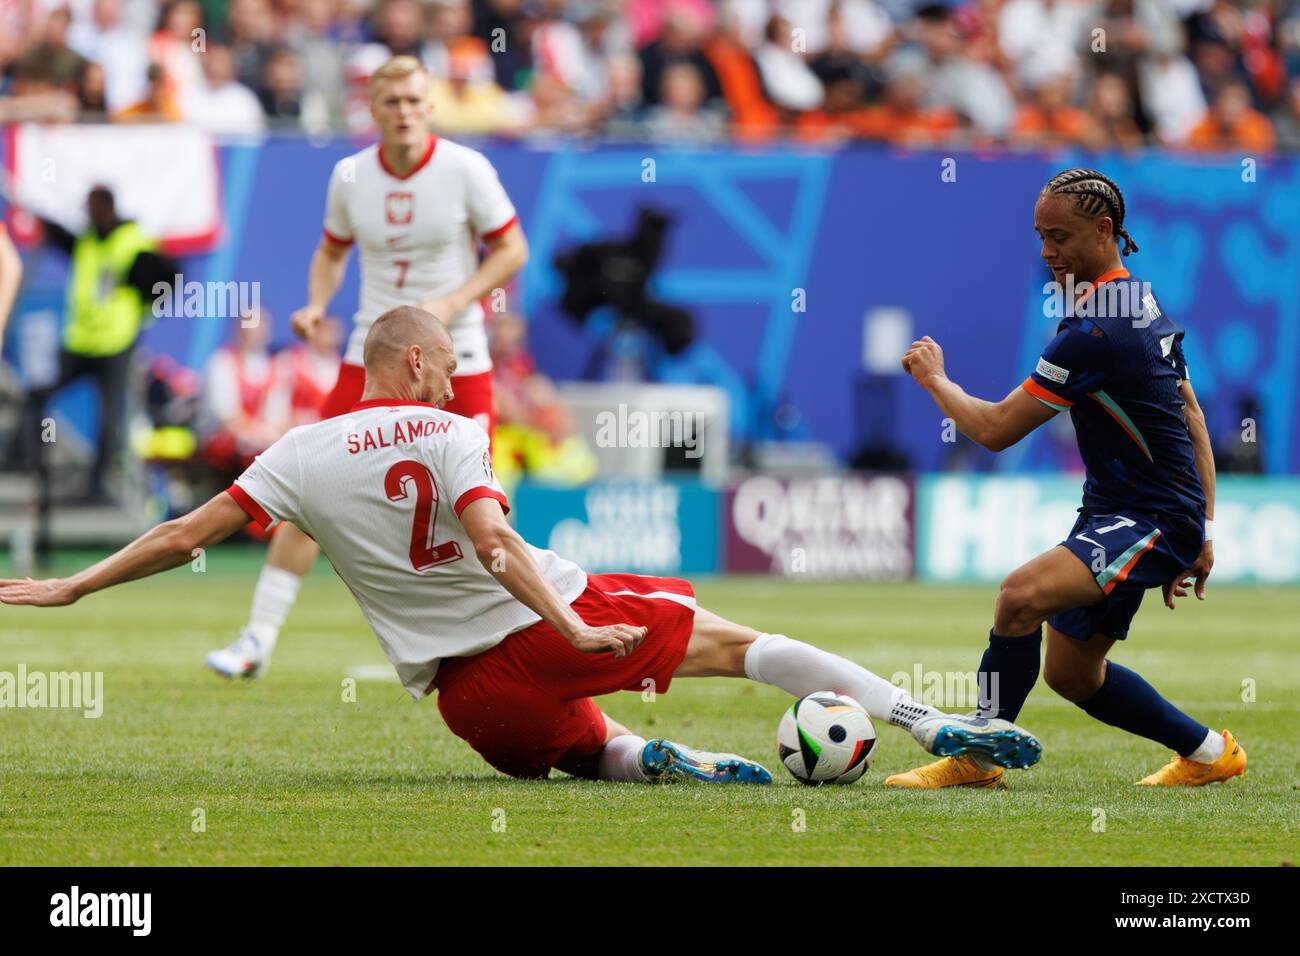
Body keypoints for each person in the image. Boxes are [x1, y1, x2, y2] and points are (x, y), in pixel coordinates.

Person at [0, 306, 1044, 785]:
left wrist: (71, 589)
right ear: (408, 362)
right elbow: (497, 544)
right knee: (743, 641)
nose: (457, 376)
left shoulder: (301, 451)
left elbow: (189, 531)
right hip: (538, 630)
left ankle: (655, 762)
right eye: (447, 359)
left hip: (468, 705)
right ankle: (921, 717)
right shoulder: (451, 430)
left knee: (586, 748)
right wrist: (571, 621)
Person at [890, 168, 1245, 789]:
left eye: (1059, 237)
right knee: (1073, 675)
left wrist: (935, 380)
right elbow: (1189, 411)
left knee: (1018, 597)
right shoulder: (1139, 299)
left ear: (1104, 230)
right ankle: (1211, 753)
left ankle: (978, 755)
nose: (1048, 253)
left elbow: (997, 430)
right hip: (1133, 511)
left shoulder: (1093, 334)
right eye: (1040, 237)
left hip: (1149, 518)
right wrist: (1205, 527)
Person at [204, 55, 528, 679]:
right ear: (372, 108)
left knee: (483, 505)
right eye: (392, 102)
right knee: (307, 491)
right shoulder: (350, 176)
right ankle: (257, 640)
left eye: (414, 101)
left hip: (455, 359)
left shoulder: (467, 169)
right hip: (367, 359)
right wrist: (318, 303)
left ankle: (505, 641)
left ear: (429, 106)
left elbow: (513, 248)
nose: (404, 112)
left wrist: (454, 303)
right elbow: (330, 252)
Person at [22, 187, 179, 501]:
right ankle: (24, 456)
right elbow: (61, 237)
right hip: (80, 342)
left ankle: (99, 487)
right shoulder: (87, 242)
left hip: (115, 343)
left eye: (93, 208)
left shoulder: (133, 242)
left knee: (109, 417)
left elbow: (168, 278)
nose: (88, 215)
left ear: (107, 208)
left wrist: (145, 312)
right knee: (38, 394)